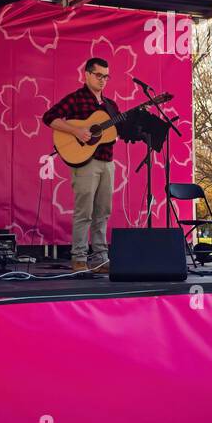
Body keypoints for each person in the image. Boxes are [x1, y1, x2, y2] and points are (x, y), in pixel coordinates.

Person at [43, 57, 119, 272]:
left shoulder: (111, 106)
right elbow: (49, 117)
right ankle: (78, 256)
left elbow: (117, 131)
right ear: (86, 74)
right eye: (98, 75)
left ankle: (101, 258)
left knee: (103, 211)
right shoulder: (76, 99)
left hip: (107, 162)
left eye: (106, 76)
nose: (103, 80)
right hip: (85, 163)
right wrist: (76, 131)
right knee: (84, 211)